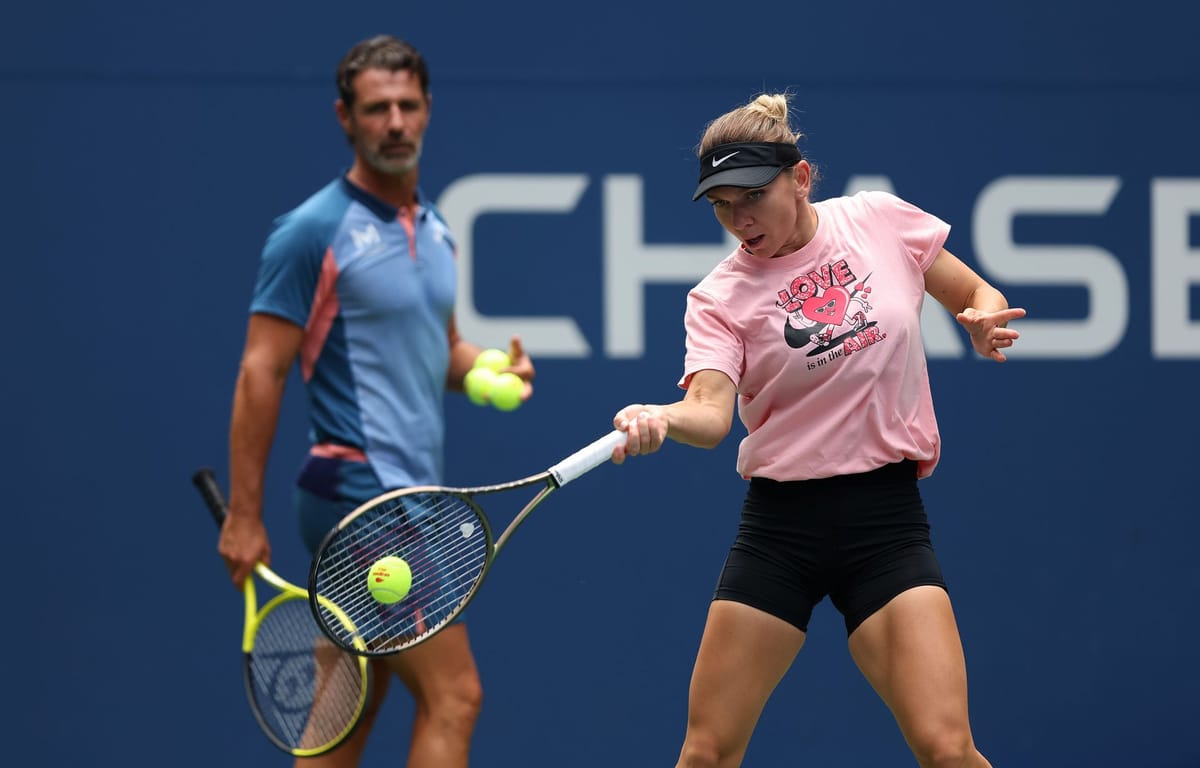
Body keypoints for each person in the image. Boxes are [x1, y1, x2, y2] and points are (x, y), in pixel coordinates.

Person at [609, 93, 1023, 768]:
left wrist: (982, 317)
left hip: (885, 526)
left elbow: (976, 294)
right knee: (706, 754)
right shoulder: (718, 298)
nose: (738, 219)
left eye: (753, 196)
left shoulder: (878, 220)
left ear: (799, 179)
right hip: (780, 533)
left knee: (949, 749)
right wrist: (662, 417)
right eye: (721, 204)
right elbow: (712, 414)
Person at [218, 34, 535, 768]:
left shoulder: (437, 230)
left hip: (406, 494)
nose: (395, 122)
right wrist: (242, 513)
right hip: (363, 493)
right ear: (345, 118)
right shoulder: (311, 233)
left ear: (427, 111)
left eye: (407, 105)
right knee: (455, 695)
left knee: (346, 708)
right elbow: (260, 372)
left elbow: (441, 352)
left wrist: (492, 368)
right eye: (376, 108)